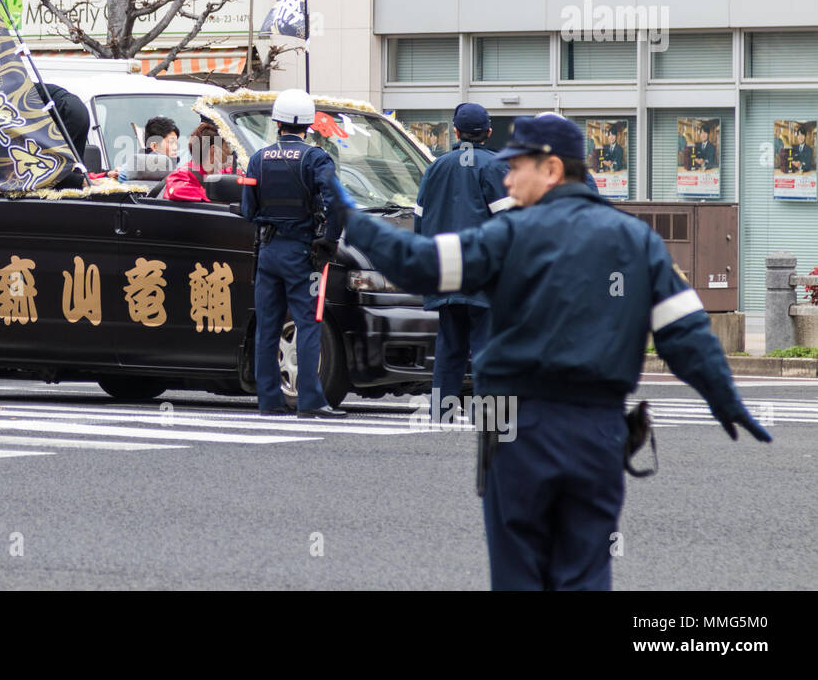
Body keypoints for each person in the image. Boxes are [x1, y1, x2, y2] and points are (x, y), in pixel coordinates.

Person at [329, 113, 770, 589]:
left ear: (553, 170)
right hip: (597, 428)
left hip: (511, 421)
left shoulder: (508, 236)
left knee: (518, 571)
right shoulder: (637, 240)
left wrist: (355, 221)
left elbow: (420, 265)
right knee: (585, 572)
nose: (509, 176)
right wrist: (724, 399)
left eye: (518, 166)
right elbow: (685, 333)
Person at [240, 89, 346, 419]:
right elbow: (337, 204)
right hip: (304, 253)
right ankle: (310, 400)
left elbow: (247, 210)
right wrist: (328, 240)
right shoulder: (317, 159)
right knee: (308, 323)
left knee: (267, 326)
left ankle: (269, 400)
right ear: (309, 125)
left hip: (269, 251)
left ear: (277, 123)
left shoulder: (258, 158)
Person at [413, 103, 510, 423]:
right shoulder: (496, 167)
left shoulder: (435, 167)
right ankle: (489, 415)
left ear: (454, 132)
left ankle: (441, 413)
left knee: (450, 344)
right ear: (489, 132)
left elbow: (419, 222)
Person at [0, 83, 88, 206]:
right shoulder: (5, 92)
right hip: (78, 109)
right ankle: (86, 183)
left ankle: (86, 182)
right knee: (70, 169)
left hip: (63, 110)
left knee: (48, 171)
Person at [162, 121, 231, 201]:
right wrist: (217, 197)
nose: (230, 152)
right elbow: (176, 190)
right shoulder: (182, 175)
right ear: (214, 151)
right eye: (227, 147)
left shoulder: (225, 173)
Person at [114, 116, 180, 181]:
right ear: (154, 146)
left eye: (176, 143)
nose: (175, 148)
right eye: (171, 143)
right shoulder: (135, 168)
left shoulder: (178, 169)